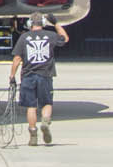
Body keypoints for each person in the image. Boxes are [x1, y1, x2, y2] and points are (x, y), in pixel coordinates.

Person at [6, 13, 69, 146]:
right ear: (43, 23)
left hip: (28, 76)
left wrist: (12, 76)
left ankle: (33, 135)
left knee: (31, 106)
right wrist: (56, 23)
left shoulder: (24, 37)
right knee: (46, 103)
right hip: (45, 75)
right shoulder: (51, 36)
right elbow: (65, 39)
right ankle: (45, 122)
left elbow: (17, 59)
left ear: (30, 24)